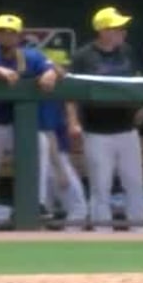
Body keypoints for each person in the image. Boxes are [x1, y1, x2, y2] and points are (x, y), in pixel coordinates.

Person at [0, 14, 59, 231]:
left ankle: (37, 202)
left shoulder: (30, 56)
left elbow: (54, 70)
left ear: (19, 36)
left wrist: (51, 72)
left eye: (11, 33)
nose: (6, 36)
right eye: (2, 32)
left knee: (40, 141)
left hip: (16, 126)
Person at [68, 6, 143, 233]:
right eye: (117, 28)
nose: (123, 32)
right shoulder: (84, 56)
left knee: (134, 184)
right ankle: (103, 235)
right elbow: (70, 93)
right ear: (103, 30)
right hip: (96, 131)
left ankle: (140, 233)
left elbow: (139, 81)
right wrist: (73, 122)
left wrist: (142, 107)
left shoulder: (128, 52)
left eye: (122, 28)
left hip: (126, 129)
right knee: (100, 187)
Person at [37, 52, 88, 229]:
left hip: (52, 159)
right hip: (51, 160)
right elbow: (47, 133)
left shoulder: (60, 94)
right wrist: (60, 170)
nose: (63, 70)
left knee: (44, 214)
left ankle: (40, 250)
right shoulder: (47, 97)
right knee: (78, 208)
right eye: (59, 67)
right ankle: (70, 245)